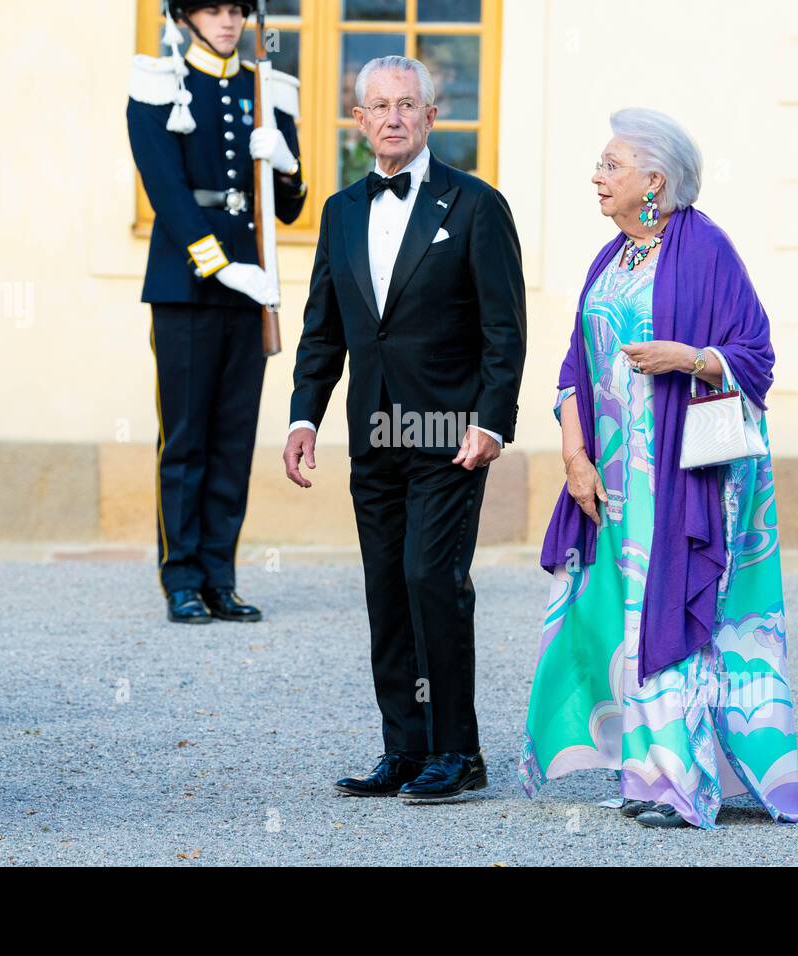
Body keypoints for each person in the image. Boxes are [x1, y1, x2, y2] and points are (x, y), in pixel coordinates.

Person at [519, 108, 798, 829]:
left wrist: (685, 358)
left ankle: (678, 786)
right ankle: (643, 771)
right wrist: (574, 458)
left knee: (674, 612)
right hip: (614, 480)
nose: (597, 176)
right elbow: (572, 368)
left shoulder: (707, 248)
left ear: (654, 181)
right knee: (628, 619)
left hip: (683, 476)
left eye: (612, 165)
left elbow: (754, 355)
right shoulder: (611, 257)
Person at [284, 56, 526, 803]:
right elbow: (322, 327)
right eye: (378, 106)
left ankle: (460, 751)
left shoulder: (476, 206)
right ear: (358, 121)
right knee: (387, 588)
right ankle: (407, 749)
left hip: (451, 430)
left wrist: (492, 421)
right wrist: (304, 413)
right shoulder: (339, 211)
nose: (393, 117)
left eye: (407, 104)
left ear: (429, 117)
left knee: (432, 577)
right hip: (374, 432)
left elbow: (504, 328)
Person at [128, 0, 307, 624]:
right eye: (213, 9)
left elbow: (288, 204)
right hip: (187, 284)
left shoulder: (269, 88)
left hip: (251, 286)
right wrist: (216, 262)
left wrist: (284, 163)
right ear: (186, 16)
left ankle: (220, 577)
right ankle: (180, 577)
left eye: (236, 10)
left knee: (231, 439)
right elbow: (164, 186)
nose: (227, 21)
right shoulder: (158, 82)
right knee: (185, 439)